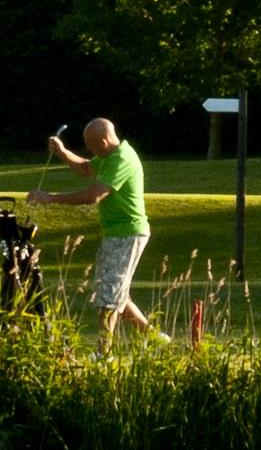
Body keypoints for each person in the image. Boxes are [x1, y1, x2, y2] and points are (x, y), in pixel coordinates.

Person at [33, 118, 164, 349]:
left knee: (109, 297)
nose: (90, 152)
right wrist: (63, 153)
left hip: (128, 234)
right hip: (116, 233)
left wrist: (51, 198)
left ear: (103, 142)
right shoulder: (109, 156)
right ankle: (155, 338)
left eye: (92, 147)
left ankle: (103, 353)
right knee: (116, 292)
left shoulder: (122, 159)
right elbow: (86, 168)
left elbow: (95, 195)